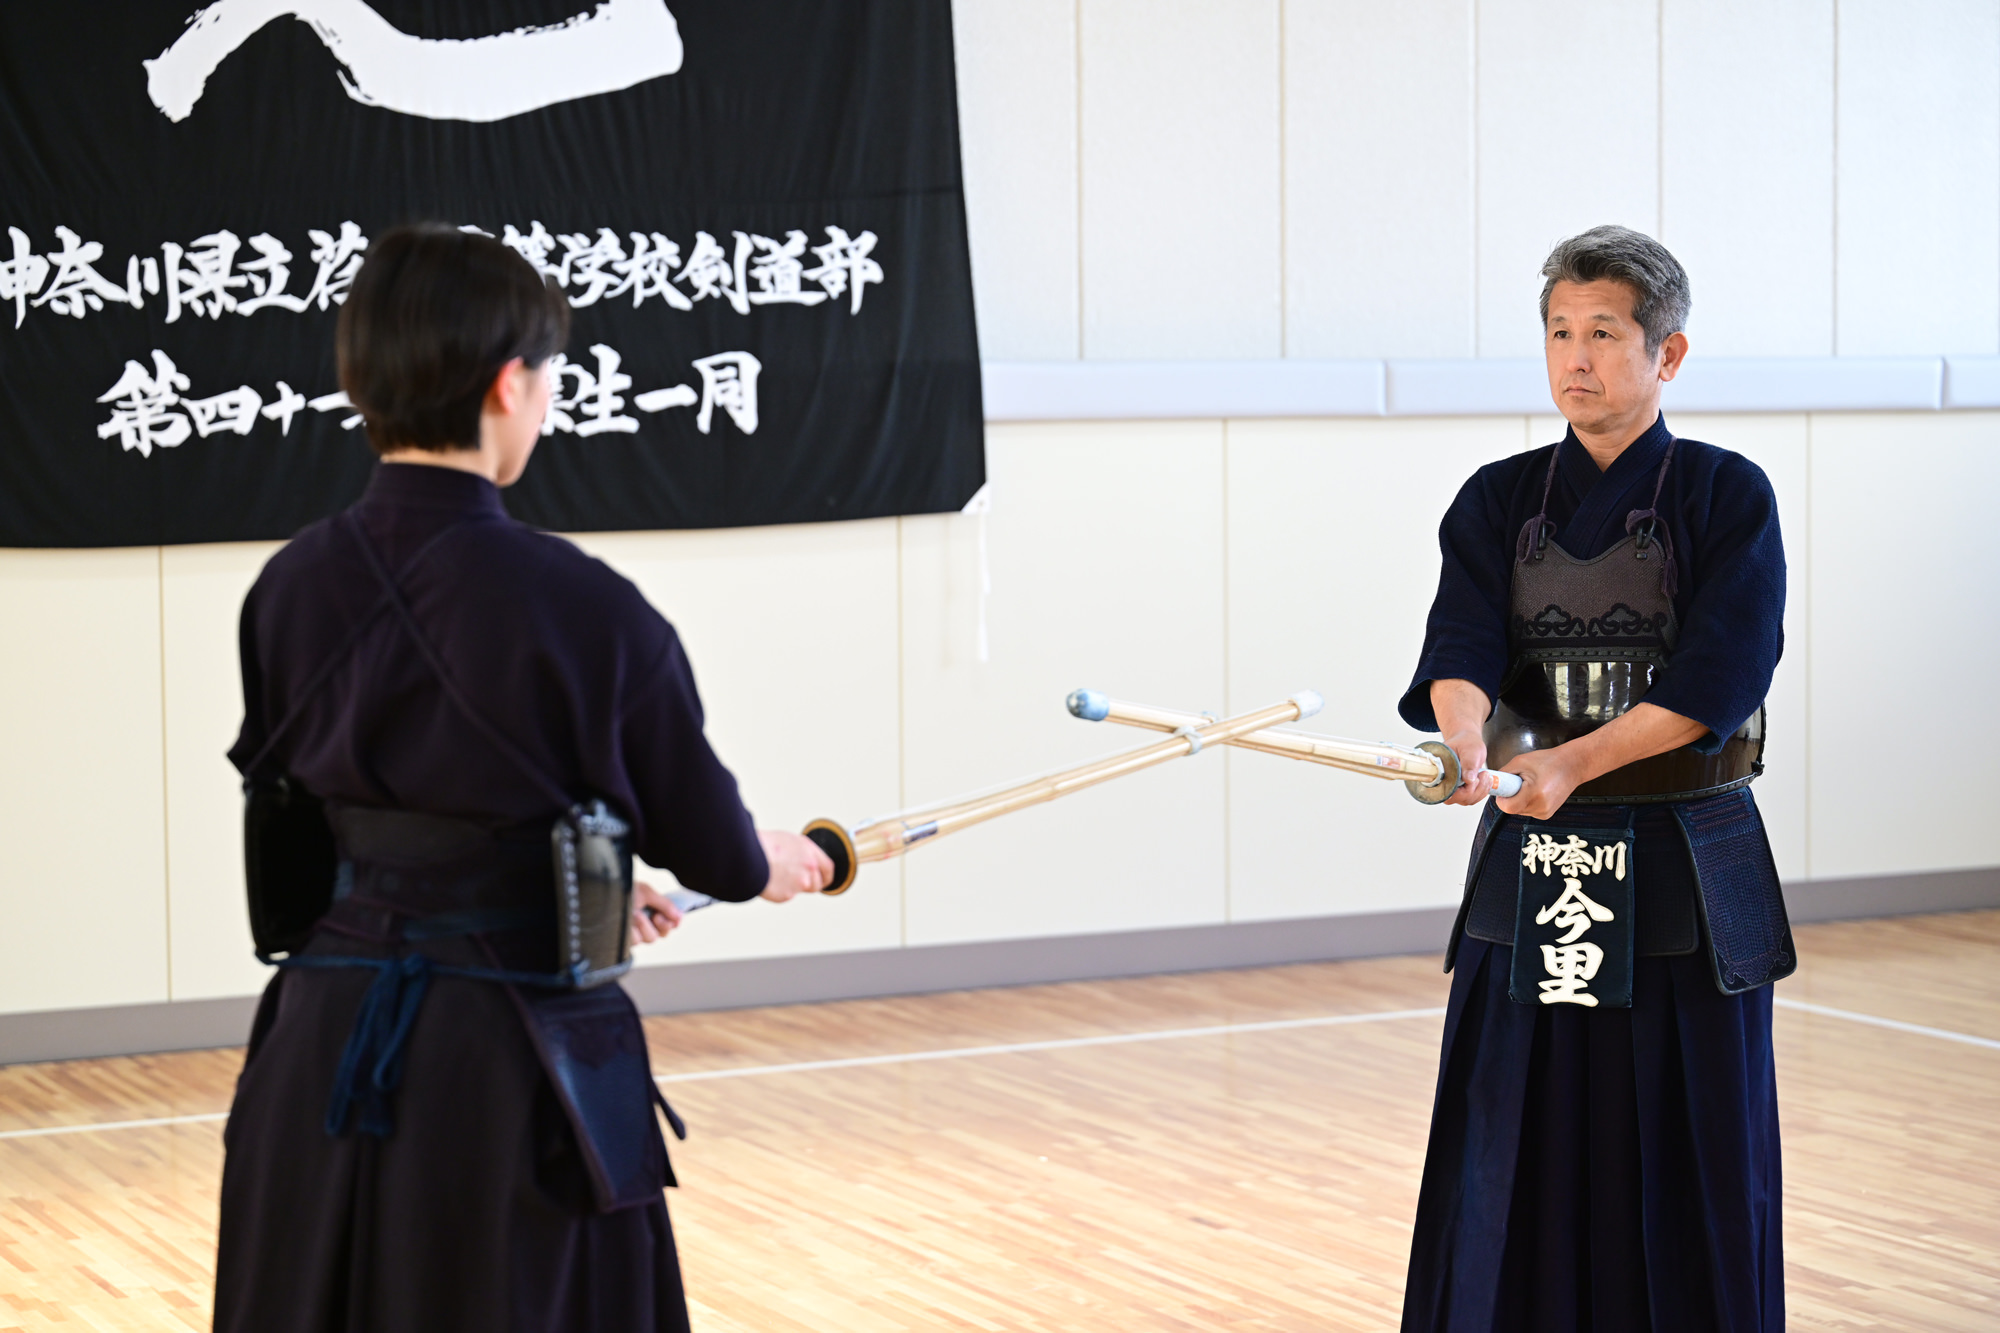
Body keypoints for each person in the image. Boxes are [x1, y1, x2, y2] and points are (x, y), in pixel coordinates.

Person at [213, 223, 834, 1333]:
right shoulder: (585, 605)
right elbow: (716, 849)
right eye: (548, 376)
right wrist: (768, 860)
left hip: (318, 1038)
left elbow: (326, 814)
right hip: (498, 1065)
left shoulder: (288, 585)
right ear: (511, 382)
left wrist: (579, 894)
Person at [1398, 226, 1791, 1332]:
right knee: (1507, 1124)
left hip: (1678, 860)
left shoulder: (1725, 495)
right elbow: (1459, 652)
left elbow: (1717, 679)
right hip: (1536, 852)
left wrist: (1565, 762)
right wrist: (1469, 744)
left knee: (1682, 1130)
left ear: (1665, 356)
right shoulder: (1494, 499)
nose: (1574, 357)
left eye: (1603, 334)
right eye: (1558, 333)